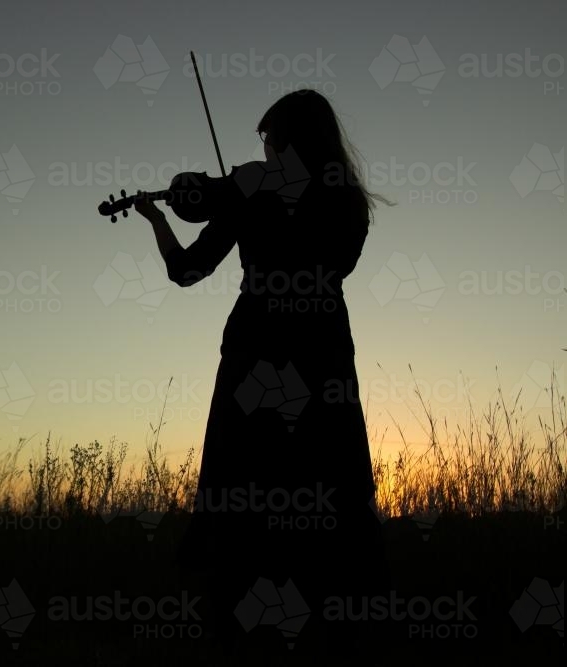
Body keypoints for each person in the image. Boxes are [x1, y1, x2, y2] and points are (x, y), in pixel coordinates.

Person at [132, 89, 393, 651]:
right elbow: (195, 265)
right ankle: (334, 625)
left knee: (245, 479)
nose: (266, 153)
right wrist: (181, 208)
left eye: (272, 142)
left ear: (293, 140)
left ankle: (245, 623)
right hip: (322, 350)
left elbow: (186, 270)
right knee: (324, 475)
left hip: (258, 353)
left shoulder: (267, 191)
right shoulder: (345, 200)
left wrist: (210, 203)